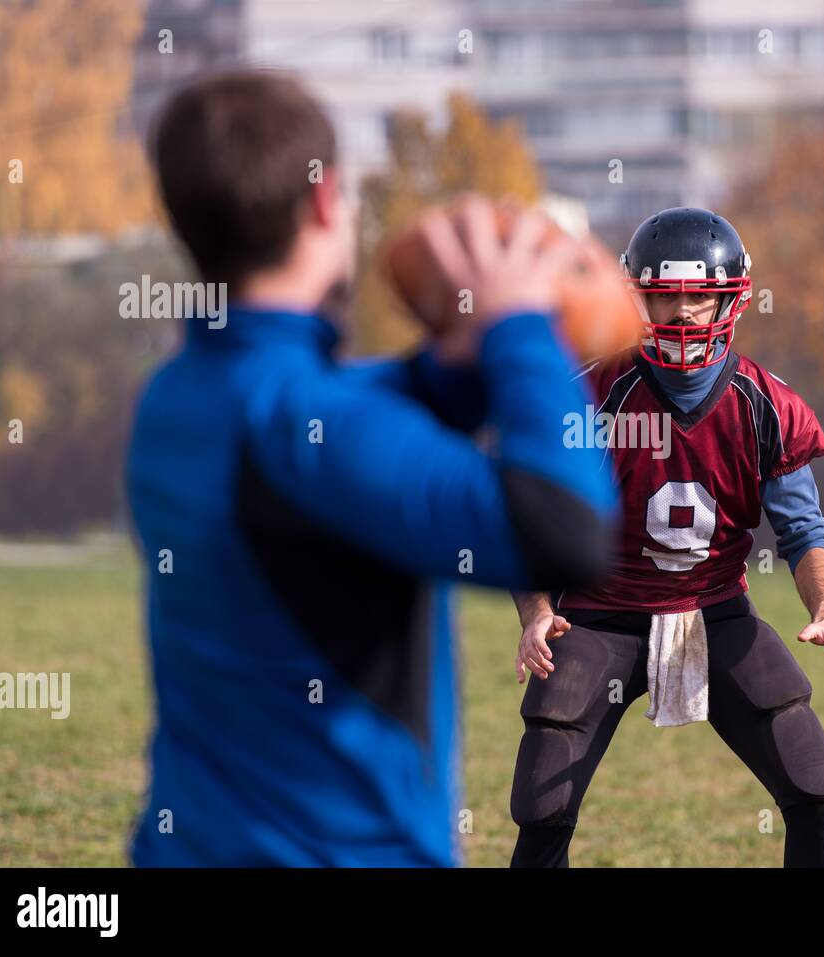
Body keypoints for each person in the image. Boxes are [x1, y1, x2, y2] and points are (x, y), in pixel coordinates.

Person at [126, 69, 616, 866]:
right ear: (324, 202)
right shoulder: (306, 429)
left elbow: (339, 420)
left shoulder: (175, 398)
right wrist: (523, 328)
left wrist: (448, 370)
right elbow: (565, 528)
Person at [508, 207, 824, 867]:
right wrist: (536, 612)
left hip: (714, 609)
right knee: (543, 799)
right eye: (664, 293)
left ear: (734, 298)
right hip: (601, 616)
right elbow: (532, 520)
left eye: (700, 294)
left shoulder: (765, 404)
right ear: (635, 297)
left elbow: (804, 528)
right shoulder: (591, 397)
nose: (682, 310)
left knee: (813, 782)